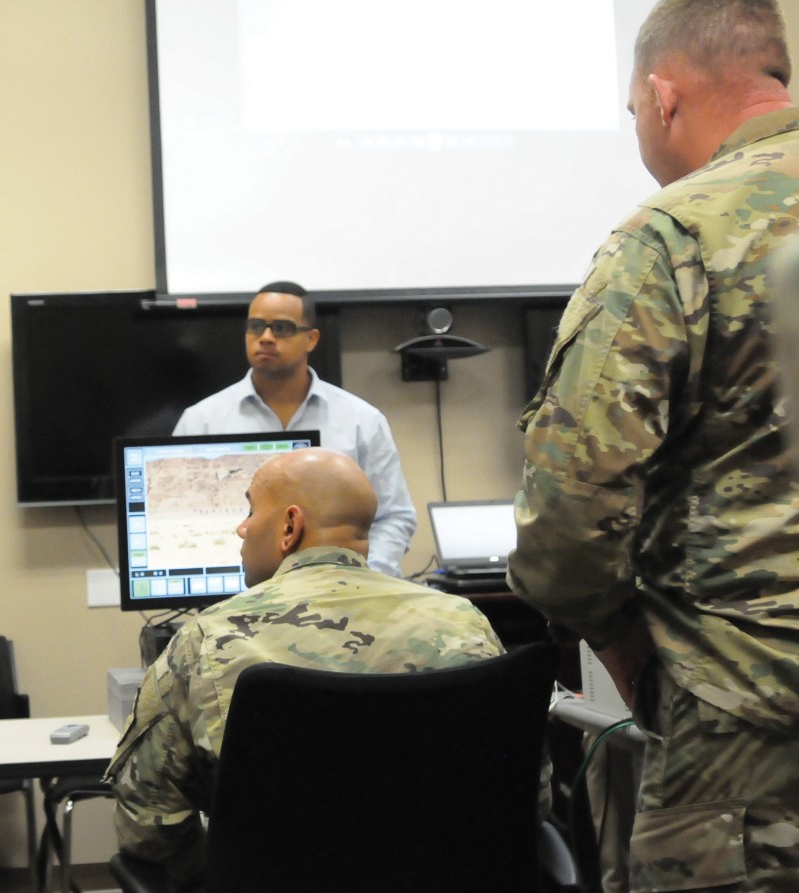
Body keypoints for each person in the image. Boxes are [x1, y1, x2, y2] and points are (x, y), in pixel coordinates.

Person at [507, 1, 799, 890]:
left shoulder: (673, 237)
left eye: (634, 108)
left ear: (664, 97)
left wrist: (622, 645)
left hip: (746, 730)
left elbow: (568, 516)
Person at [106, 448, 526, 887]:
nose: (241, 527)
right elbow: (525, 795)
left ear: (290, 526)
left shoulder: (207, 638)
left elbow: (148, 825)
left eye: (250, 510)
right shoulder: (464, 622)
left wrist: (223, 870)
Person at [172, 281, 416, 577]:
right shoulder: (201, 422)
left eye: (281, 328)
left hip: (338, 592)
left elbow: (394, 517)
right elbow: (182, 520)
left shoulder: (361, 421)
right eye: (256, 327)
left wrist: (362, 581)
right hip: (232, 593)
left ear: (311, 339)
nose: (265, 337)